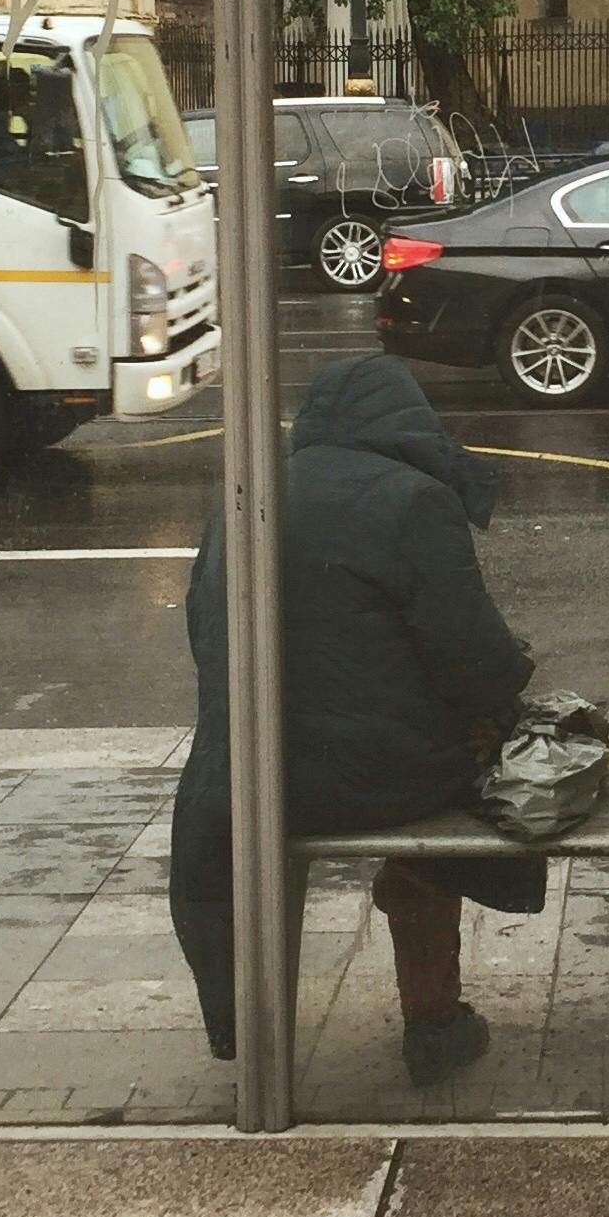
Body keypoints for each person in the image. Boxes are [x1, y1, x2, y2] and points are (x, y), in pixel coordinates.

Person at [170, 354, 544, 1088]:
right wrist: (513, 680)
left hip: (242, 778)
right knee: (460, 773)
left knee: (415, 744)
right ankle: (434, 1020)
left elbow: (204, 636)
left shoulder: (245, 496)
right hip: (370, 781)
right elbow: (477, 667)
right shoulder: (415, 501)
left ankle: (258, 1035)